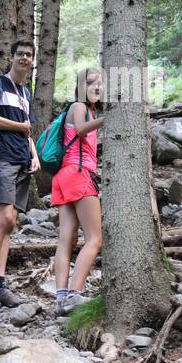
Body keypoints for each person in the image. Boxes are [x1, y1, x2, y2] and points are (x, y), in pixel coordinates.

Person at [0, 40, 40, 310]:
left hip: (21, 159)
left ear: (33, 61)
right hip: (0, 157)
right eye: (20, 54)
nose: (24, 58)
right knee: (2, 217)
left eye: (29, 55)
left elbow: (27, 132)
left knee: (11, 221)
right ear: (11, 58)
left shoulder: (26, 93)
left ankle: (0, 284)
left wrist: (34, 155)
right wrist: (18, 125)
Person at [50, 68, 105, 316]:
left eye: (100, 83)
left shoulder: (82, 109)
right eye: (91, 83)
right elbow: (82, 130)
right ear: (80, 87)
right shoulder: (79, 107)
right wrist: (111, 118)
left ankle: (61, 298)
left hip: (64, 176)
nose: (96, 87)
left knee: (67, 240)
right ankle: (74, 294)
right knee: (95, 239)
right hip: (80, 174)